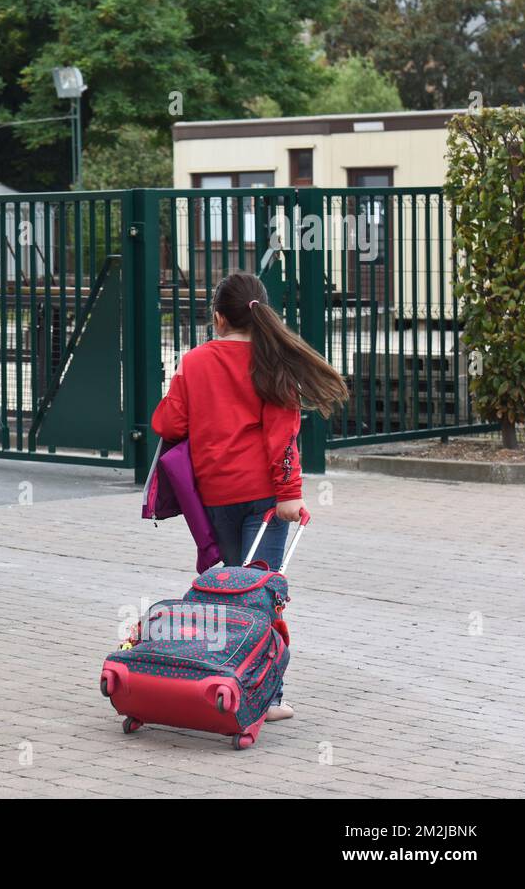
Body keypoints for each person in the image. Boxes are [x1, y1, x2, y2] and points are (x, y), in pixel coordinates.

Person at [151, 271, 348, 721]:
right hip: (264, 502)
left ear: (218, 319)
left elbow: (167, 425)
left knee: (235, 591)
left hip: (215, 497)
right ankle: (264, 696)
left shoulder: (195, 362)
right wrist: (290, 496)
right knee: (260, 595)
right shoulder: (271, 363)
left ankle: (227, 678)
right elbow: (282, 441)